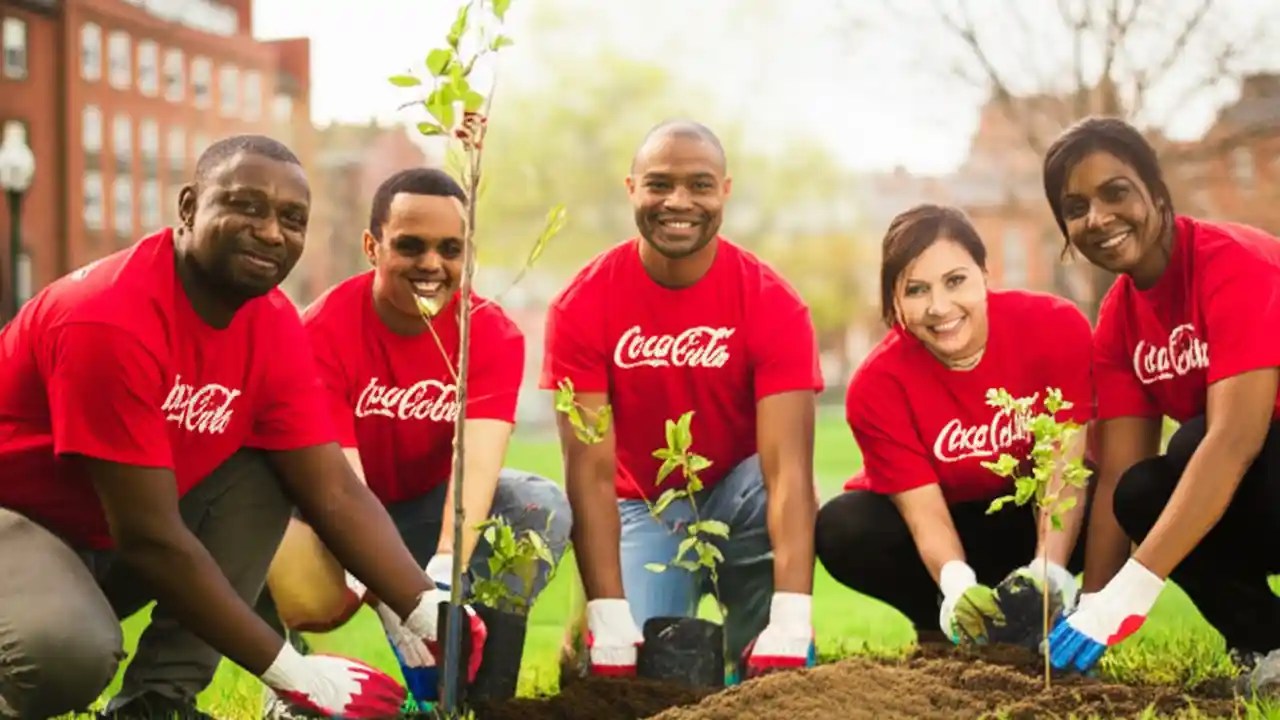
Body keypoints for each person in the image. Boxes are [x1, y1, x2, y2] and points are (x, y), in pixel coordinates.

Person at [0, 135, 477, 720]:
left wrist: (421, 604)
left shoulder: (273, 324)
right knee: (66, 658)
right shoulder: (108, 319)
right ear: (188, 207)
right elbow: (148, 534)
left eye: (291, 218)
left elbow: (331, 487)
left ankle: (157, 702)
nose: (272, 232)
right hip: (20, 526)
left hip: (101, 539)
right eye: (246, 206)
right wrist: (295, 674)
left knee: (271, 468)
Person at [256, 167, 571, 707]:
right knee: (268, 535)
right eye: (410, 245)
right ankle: (294, 681)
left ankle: (484, 694)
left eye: (450, 248)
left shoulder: (489, 333)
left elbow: (478, 466)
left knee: (539, 505)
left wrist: (443, 573)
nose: (431, 264)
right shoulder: (322, 331)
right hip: (330, 511)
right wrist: (394, 594)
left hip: (428, 508)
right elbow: (341, 490)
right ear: (372, 246)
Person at [541, 119, 824, 682]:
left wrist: (794, 615)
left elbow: (789, 472)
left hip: (742, 497)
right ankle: (592, 625)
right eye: (659, 184)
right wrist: (608, 610)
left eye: (699, 184)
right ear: (631, 189)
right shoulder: (582, 305)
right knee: (642, 672)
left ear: (725, 190)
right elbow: (591, 473)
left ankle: (763, 648)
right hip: (641, 506)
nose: (679, 201)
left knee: (773, 677)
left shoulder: (773, 304)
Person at [1040, 116, 1280, 679]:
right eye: (1075, 208)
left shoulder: (1236, 264)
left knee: (1197, 441)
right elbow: (1122, 474)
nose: (1098, 218)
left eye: (1115, 192)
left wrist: (1133, 590)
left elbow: (1235, 440)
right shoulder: (1118, 319)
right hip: (1257, 480)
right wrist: (1092, 605)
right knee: (1141, 491)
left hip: (1255, 457)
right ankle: (1268, 641)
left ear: (1158, 191)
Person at [813, 204, 1093, 648]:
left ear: (985, 273)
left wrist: (1048, 572)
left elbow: (1065, 468)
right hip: (949, 520)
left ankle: (1048, 614)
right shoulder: (876, 384)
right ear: (894, 301)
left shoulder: (1054, 327)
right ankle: (942, 627)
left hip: (1031, 515)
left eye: (955, 280)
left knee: (1111, 491)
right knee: (844, 525)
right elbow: (924, 514)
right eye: (916, 290)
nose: (939, 307)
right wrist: (956, 583)